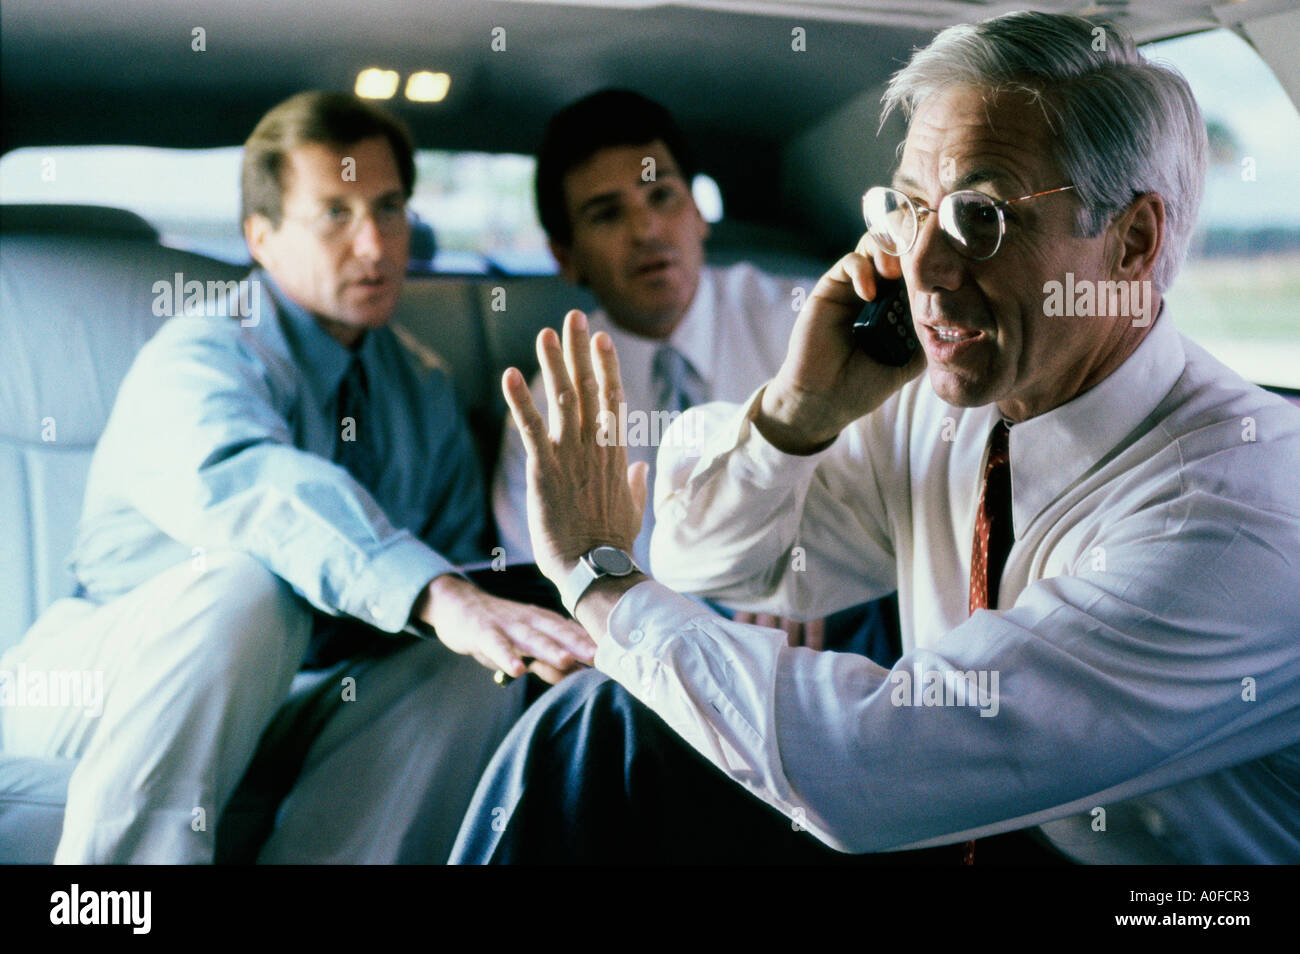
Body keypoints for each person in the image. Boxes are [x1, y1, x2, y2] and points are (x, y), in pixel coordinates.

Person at [451, 12, 1300, 864]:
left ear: (1133, 242)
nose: (922, 266)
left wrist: (601, 581)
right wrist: (795, 419)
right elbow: (714, 563)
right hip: (951, 834)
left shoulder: (1236, 508)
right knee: (607, 724)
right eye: (908, 208)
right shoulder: (939, 411)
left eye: (981, 214)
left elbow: (872, 769)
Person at [0, 91, 592, 863]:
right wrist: (437, 593)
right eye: (335, 214)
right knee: (251, 583)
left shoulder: (423, 388)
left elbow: (456, 569)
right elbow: (254, 489)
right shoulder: (202, 352)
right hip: (99, 682)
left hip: (301, 691)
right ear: (261, 236)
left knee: (470, 665)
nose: (376, 244)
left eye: (389, 208)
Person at [494, 88, 895, 656]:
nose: (647, 230)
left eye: (662, 197)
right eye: (607, 213)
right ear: (566, 255)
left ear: (701, 215)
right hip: (651, 657)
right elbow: (541, 576)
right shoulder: (553, 410)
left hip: (824, 634)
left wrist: (784, 574)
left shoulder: (811, 324)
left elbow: (881, 487)